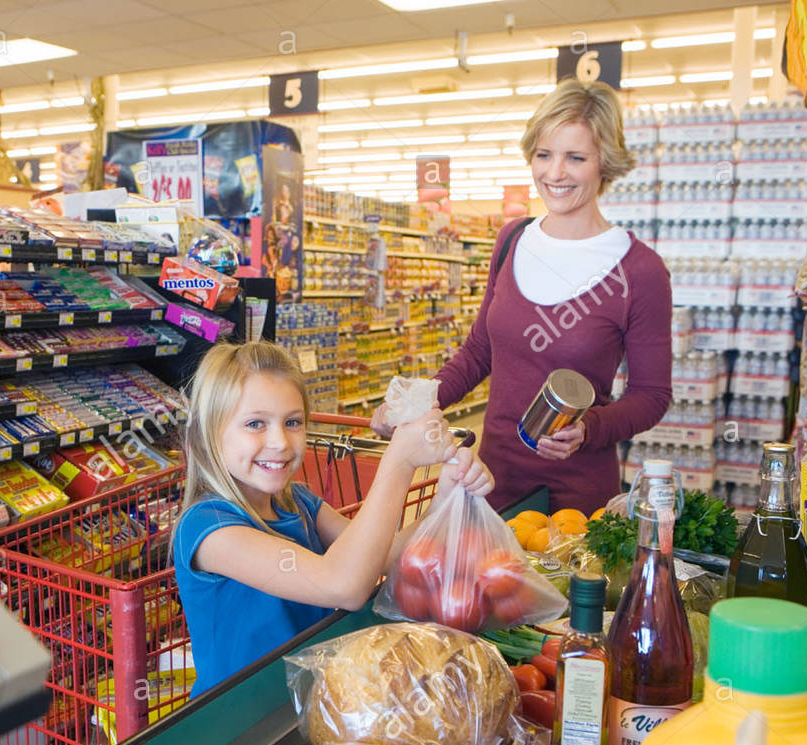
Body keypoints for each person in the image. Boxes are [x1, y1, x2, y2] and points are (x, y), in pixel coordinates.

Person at [371, 79, 673, 515]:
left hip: (576, 498)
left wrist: (589, 428)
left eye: (575, 158)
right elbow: (478, 352)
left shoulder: (640, 270)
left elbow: (652, 394)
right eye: (544, 154)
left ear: (604, 162)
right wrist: (414, 402)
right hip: (490, 481)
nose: (554, 174)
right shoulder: (511, 240)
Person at [173, 341, 493, 697]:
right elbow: (344, 585)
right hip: (239, 724)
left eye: (292, 422)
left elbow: (383, 557)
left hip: (320, 697)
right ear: (206, 437)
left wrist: (446, 498)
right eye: (255, 424)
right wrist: (399, 461)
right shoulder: (210, 529)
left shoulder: (298, 503)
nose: (280, 441)